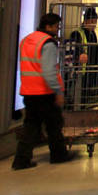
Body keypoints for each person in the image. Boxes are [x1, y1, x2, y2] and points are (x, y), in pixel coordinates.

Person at [12, 12, 74, 169]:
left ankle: (21, 160)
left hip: (28, 91)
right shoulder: (48, 43)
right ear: (48, 26)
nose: (57, 30)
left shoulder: (27, 40)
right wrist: (58, 91)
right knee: (54, 124)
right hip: (45, 92)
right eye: (56, 27)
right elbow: (48, 70)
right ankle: (59, 155)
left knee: (30, 126)